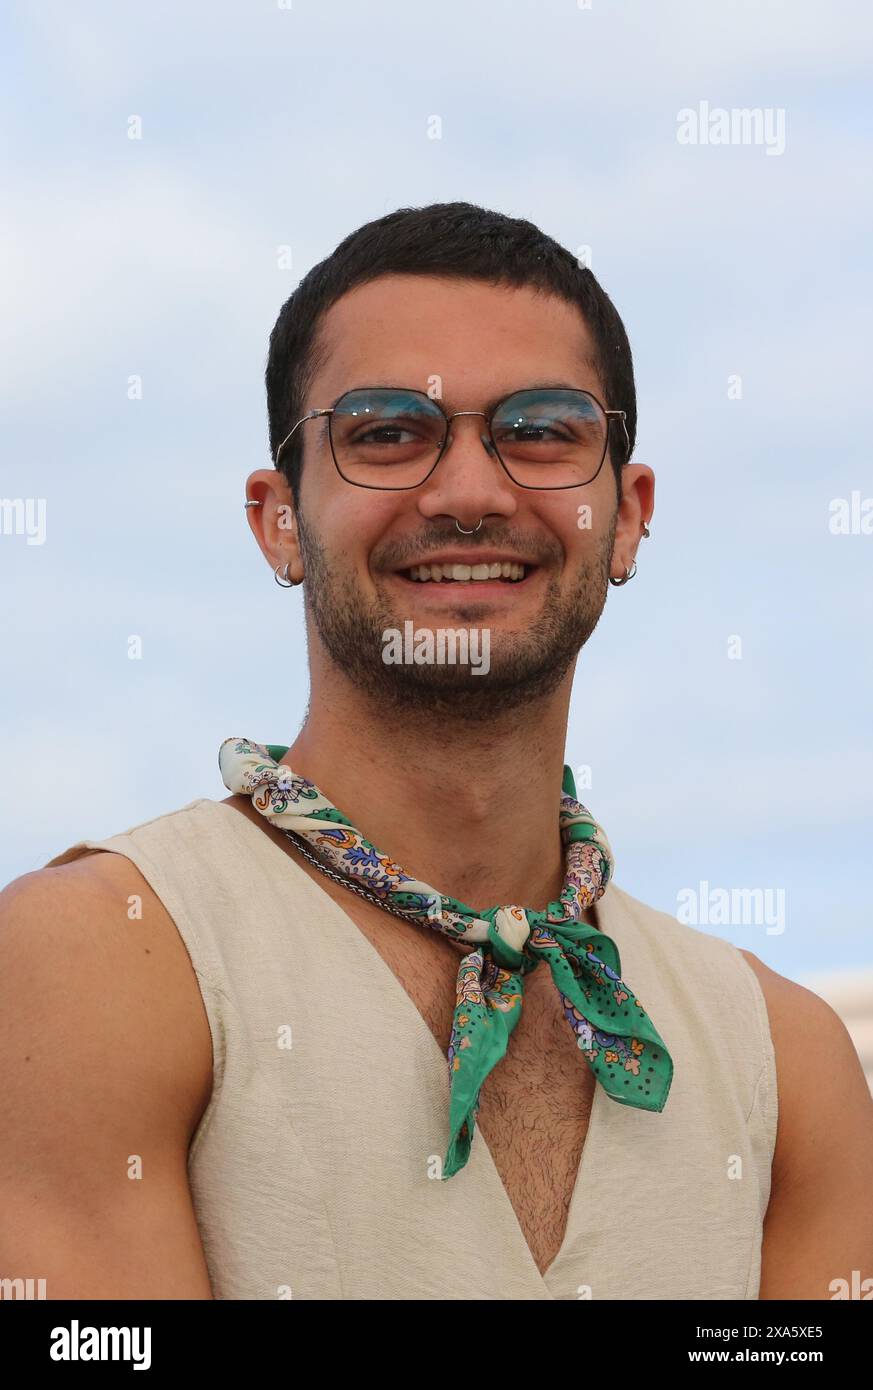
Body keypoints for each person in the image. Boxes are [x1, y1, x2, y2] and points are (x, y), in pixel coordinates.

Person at [2, 202, 872, 1302]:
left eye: (544, 429)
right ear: (277, 520)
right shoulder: (104, 960)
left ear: (631, 516)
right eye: (386, 432)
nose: (469, 492)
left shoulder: (787, 1063)